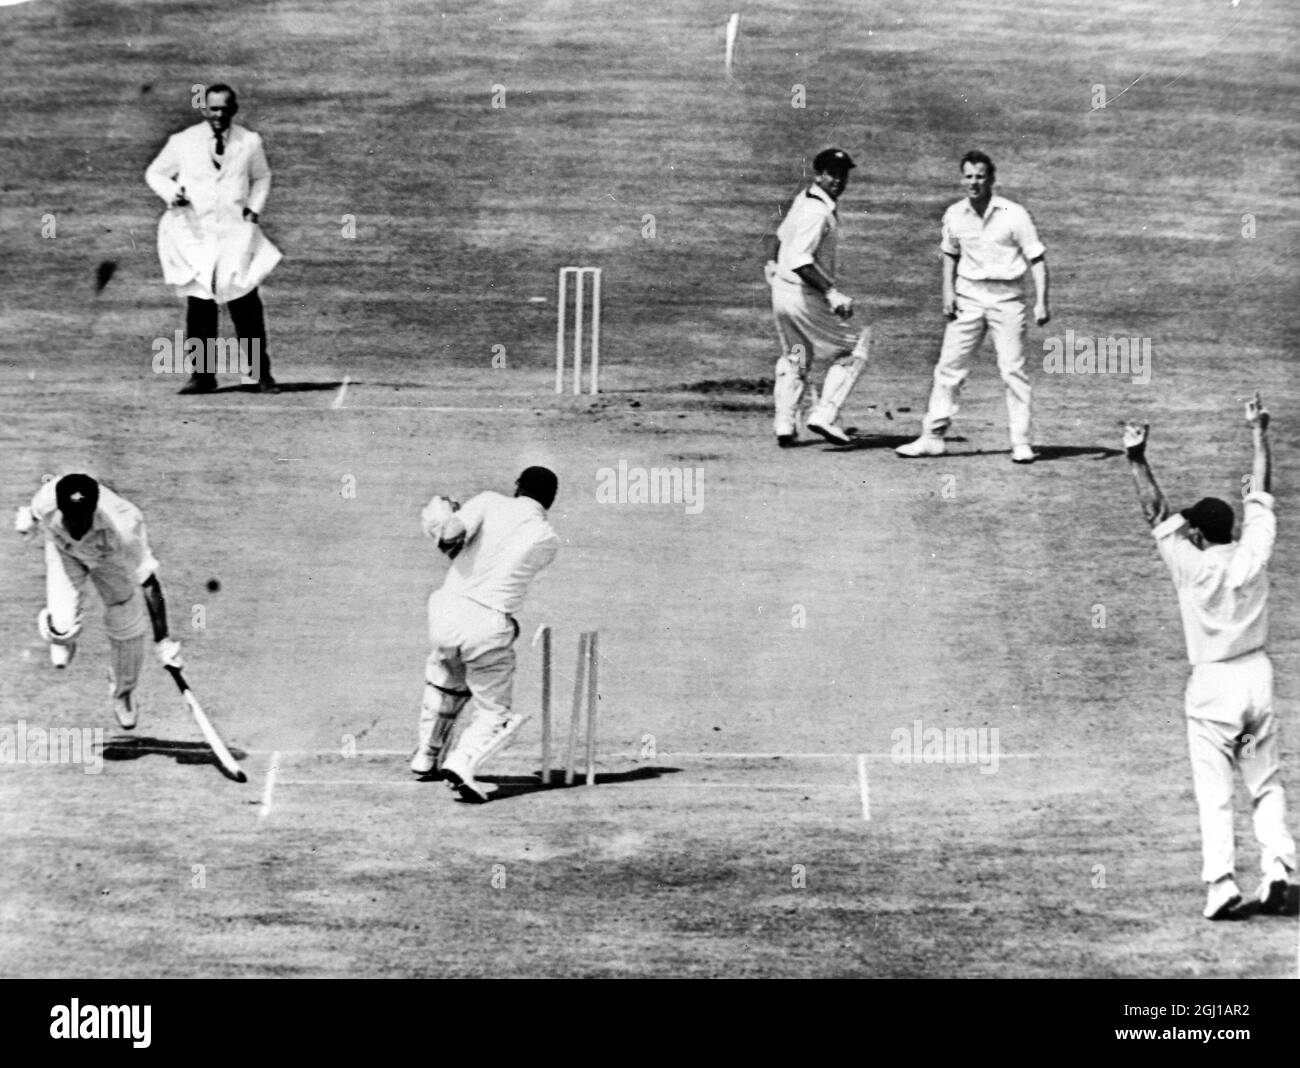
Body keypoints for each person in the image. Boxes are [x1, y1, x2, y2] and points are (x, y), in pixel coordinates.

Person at [1123, 395, 1295, 920]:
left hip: (1213, 691)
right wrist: (1257, 430)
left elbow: (1155, 511)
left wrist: (1136, 457)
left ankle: (1221, 885)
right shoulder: (1253, 550)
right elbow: (1260, 491)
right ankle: (1280, 868)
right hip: (1256, 683)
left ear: (1198, 533)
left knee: (1215, 791)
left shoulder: (1190, 566)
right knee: (1263, 780)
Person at [412, 467, 561, 803]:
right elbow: (503, 571)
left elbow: (450, 536)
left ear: (517, 487)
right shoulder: (547, 540)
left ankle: (426, 757)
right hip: (488, 624)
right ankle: (461, 762)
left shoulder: (489, 501)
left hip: (446, 612)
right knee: (494, 711)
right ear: (549, 500)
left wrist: (441, 517)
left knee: (445, 680)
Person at [896, 150, 1049, 463]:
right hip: (967, 298)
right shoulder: (954, 214)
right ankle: (932, 437)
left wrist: (1042, 302)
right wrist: (947, 292)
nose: (974, 182)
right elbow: (950, 253)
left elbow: (1036, 258)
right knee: (949, 367)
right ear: (961, 178)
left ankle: (1020, 442)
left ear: (991, 178)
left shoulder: (1014, 213)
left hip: (1007, 299)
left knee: (1012, 370)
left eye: (980, 176)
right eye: (968, 176)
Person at [13, 474, 184, 730]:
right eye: (71, 517)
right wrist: (30, 519)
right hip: (65, 554)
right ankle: (63, 637)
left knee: (126, 622)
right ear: (60, 507)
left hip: (109, 562)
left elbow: (150, 584)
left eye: (83, 517)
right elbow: (36, 512)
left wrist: (163, 640)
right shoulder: (47, 499)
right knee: (62, 626)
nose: (77, 525)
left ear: (94, 509)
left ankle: (123, 693)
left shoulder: (125, 526)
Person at [146, 83, 281, 394]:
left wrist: (253, 209)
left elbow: (262, 176)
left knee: (245, 303)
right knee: (201, 304)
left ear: (233, 109)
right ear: (204, 109)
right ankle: (202, 376)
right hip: (195, 235)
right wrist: (173, 193)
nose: (218, 114)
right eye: (213, 108)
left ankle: (260, 373)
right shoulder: (183, 142)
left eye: (224, 109)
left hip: (235, 232)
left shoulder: (249, 141)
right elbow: (155, 173)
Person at [765, 147, 872, 447]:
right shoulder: (818, 210)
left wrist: (772, 263)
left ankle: (785, 423)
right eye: (831, 174)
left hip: (782, 293)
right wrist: (832, 293)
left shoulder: (806, 199)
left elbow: (782, 236)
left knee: (796, 353)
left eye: (842, 174)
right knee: (856, 346)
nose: (838, 180)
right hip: (802, 293)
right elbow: (801, 260)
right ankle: (825, 414)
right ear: (818, 175)